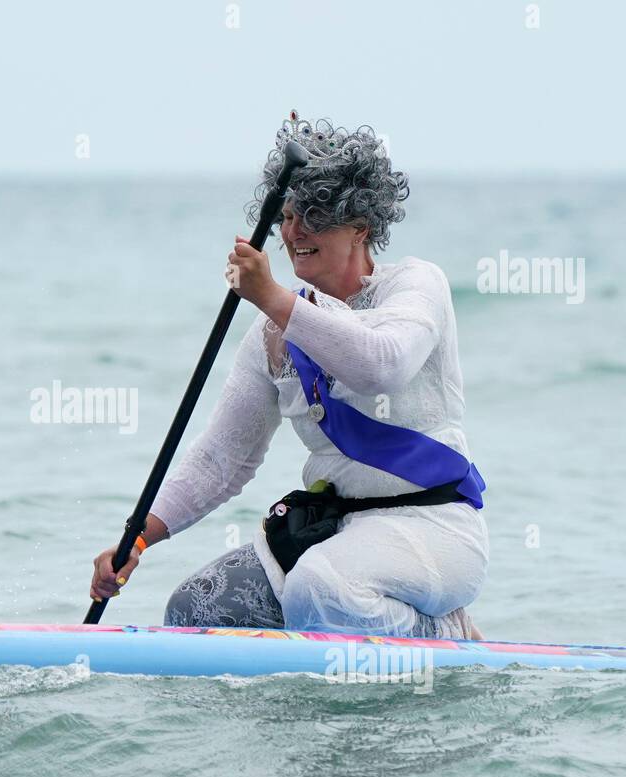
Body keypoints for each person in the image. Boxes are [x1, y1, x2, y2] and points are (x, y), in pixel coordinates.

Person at [89, 115, 487, 639]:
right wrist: (136, 541)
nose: (295, 233)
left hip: (431, 528)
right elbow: (221, 459)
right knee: (195, 610)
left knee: (318, 588)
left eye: (316, 217)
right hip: (331, 528)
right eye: (289, 215)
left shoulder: (414, 286)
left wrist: (272, 298)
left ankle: (445, 632)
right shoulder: (269, 334)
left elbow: (381, 365)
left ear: (360, 225)